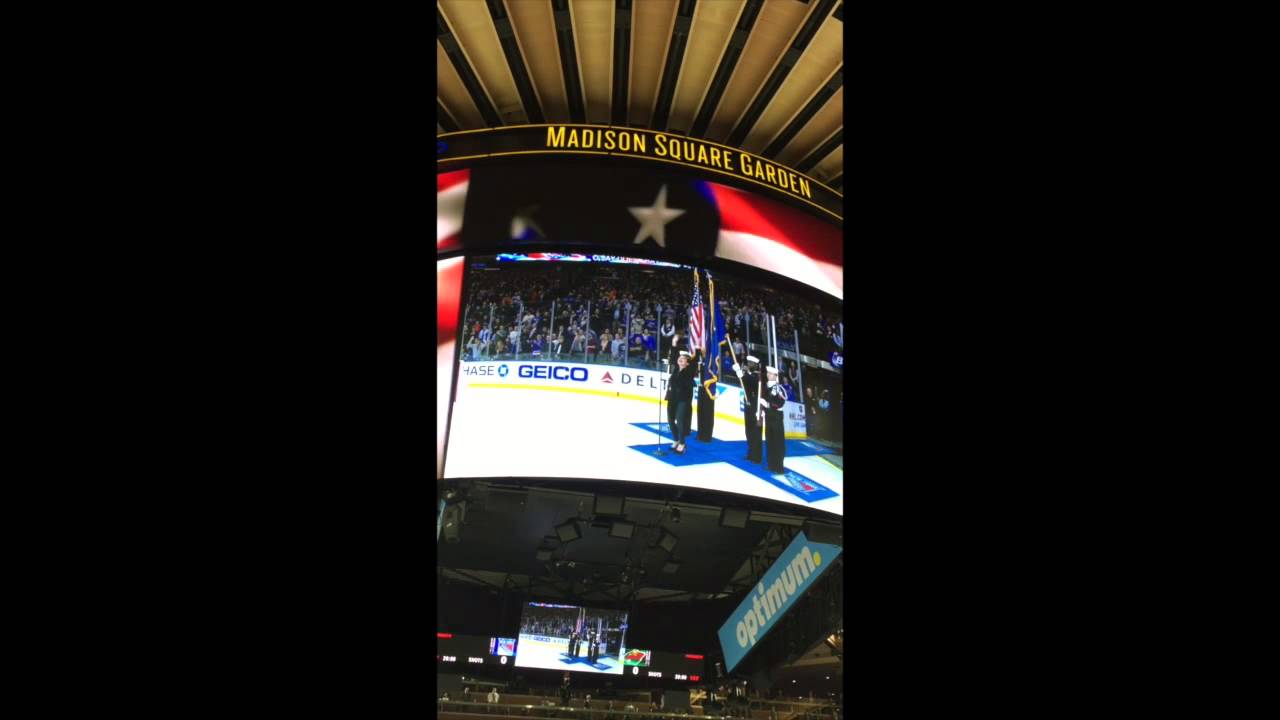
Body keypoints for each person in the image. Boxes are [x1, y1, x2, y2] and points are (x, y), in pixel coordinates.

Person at [665, 343, 702, 454]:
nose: (681, 360)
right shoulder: (676, 369)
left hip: (682, 400)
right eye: (680, 358)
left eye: (683, 359)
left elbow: (695, 362)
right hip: (672, 398)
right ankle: (676, 440)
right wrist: (675, 344)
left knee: (680, 421)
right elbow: (673, 356)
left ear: (687, 363)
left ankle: (682, 443)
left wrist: (697, 349)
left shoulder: (689, 371)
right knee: (670, 420)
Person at [733, 355, 764, 462]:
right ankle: (751, 452)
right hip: (748, 406)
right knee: (748, 431)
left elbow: (752, 382)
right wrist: (739, 375)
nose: (749, 364)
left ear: (755, 365)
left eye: (751, 363)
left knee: (755, 432)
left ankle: (757, 456)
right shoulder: (748, 375)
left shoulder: (758, 376)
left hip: (756, 408)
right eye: (748, 362)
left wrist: (741, 374)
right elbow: (744, 384)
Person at [761, 365, 788, 474]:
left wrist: (767, 404)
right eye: (768, 373)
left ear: (776, 376)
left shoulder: (779, 388)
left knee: (778, 442)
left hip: (776, 418)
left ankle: (779, 467)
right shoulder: (766, 386)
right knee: (770, 441)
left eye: (771, 373)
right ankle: (771, 465)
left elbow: (781, 403)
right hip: (768, 417)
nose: (768, 375)